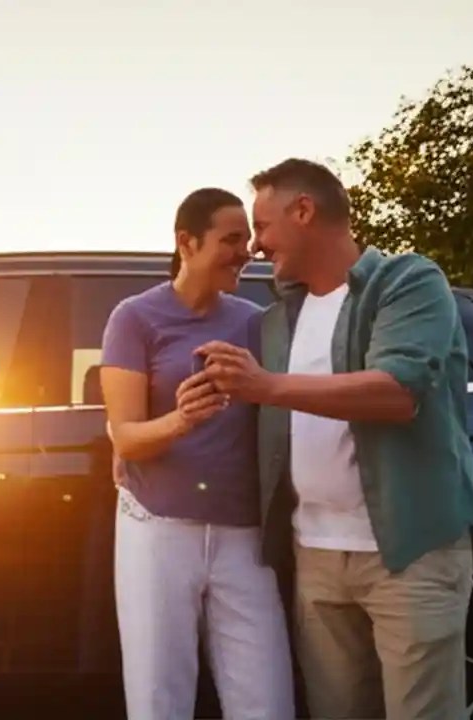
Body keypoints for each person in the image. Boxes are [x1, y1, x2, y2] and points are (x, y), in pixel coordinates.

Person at [197, 158, 473, 719]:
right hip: (317, 557)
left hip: (408, 553)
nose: (256, 246)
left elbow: (398, 392)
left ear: (304, 211)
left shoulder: (406, 281)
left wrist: (268, 385)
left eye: (263, 225)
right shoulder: (280, 318)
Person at [100, 188, 296, 720]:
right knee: (159, 696)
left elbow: (282, 414)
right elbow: (125, 437)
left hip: (243, 535)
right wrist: (183, 419)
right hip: (157, 528)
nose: (246, 251)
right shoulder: (134, 318)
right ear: (187, 243)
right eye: (231, 240)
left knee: (267, 699)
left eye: (246, 239)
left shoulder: (255, 322)